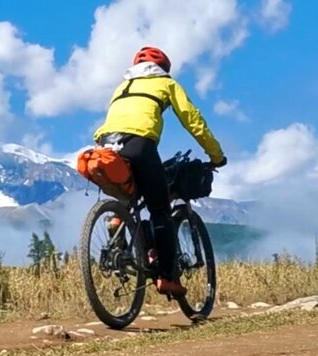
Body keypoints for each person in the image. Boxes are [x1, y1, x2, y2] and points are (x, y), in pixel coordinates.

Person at [94, 46, 227, 297]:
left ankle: (118, 219)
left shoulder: (122, 86)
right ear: (163, 69)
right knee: (160, 211)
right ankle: (167, 278)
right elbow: (192, 119)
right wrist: (216, 155)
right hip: (139, 143)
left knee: (132, 194)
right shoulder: (167, 84)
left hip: (106, 145)